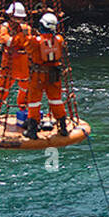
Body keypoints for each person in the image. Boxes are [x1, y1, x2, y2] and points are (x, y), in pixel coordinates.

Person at [25, 11, 68, 139]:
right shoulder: (59, 39)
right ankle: (63, 127)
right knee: (56, 100)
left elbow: (27, 48)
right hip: (53, 74)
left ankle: (32, 130)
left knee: (34, 102)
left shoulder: (34, 41)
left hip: (38, 75)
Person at [0, 1, 31, 128]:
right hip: (9, 64)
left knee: (25, 89)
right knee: (2, 89)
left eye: (20, 18)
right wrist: (19, 39)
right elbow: (6, 41)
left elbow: (28, 43)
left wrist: (19, 40)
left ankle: (23, 112)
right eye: (16, 17)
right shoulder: (4, 28)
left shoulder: (26, 28)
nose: (18, 20)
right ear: (10, 16)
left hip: (24, 64)